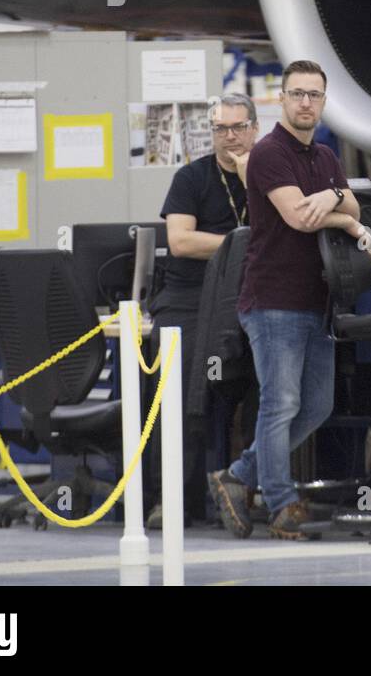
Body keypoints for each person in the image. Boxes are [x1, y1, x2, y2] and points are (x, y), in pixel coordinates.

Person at [208, 60, 368, 540]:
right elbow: (301, 217)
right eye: (296, 93)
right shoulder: (268, 154)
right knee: (280, 403)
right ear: (282, 99)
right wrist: (343, 217)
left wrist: (338, 197)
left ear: (322, 102)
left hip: (317, 301)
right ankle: (280, 504)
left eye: (314, 95)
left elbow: (356, 203)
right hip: (272, 300)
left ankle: (239, 475)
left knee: (316, 405)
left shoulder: (324, 158)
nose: (305, 102)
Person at [147, 93, 258, 526]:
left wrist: (253, 181)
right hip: (190, 298)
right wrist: (241, 246)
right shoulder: (191, 178)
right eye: (220, 129)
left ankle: (251, 492)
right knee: (177, 389)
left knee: (263, 389)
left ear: (254, 128)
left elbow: (285, 229)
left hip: (249, 297)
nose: (229, 137)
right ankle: (172, 499)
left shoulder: (268, 177)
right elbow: (181, 241)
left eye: (237, 128)